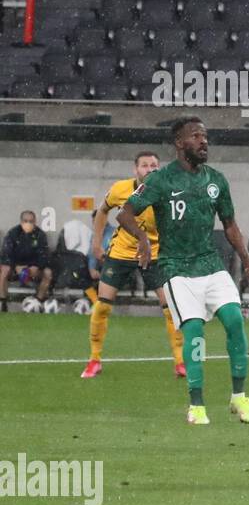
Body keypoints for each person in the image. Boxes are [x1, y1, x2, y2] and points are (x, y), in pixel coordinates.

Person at [118, 117, 249, 426]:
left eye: (205, 137)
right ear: (180, 144)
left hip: (210, 264)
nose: (203, 142)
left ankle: (239, 397)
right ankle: (196, 405)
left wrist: (248, 264)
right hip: (175, 268)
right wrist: (142, 238)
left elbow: (230, 225)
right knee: (194, 332)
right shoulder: (160, 180)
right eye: (196, 137)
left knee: (235, 321)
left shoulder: (216, 181)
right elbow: (125, 213)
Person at [81, 151, 186, 379]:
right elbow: (102, 211)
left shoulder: (169, 191)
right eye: (145, 165)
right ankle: (94, 359)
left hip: (156, 254)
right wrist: (97, 243)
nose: (149, 169)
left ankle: (180, 362)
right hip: (121, 252)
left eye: (154, 165)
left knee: (171, 310)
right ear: (135, 169)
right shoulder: (120, 188)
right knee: (102, 306)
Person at [0, 211, 54, 310]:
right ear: (21, 222)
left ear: (35, 222)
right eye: (26, 221)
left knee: (48, 273)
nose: (28, 223)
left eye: (31, 221)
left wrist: (36, 266)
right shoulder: (13, 233)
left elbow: (44, 256)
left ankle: (37, 302)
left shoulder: (40, 235)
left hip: (33, 269)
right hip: (15, 269)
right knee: (4, 270)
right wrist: (15, 266)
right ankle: (3, 302)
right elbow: (6, 253)